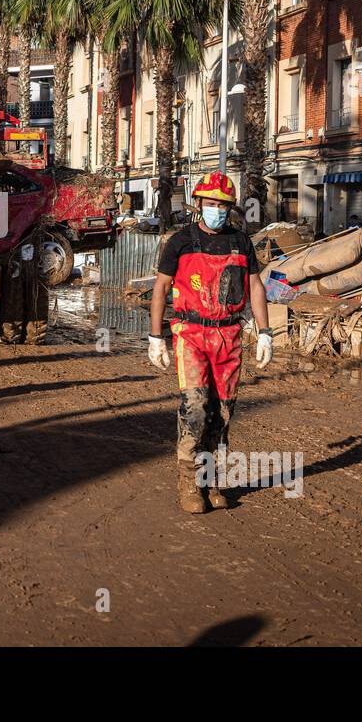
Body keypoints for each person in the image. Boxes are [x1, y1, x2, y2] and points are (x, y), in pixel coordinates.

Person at [147, 172, 273, 514]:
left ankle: (211, 480)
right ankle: (188, 483)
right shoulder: (180, 241)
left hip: (229, 336)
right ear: (199, 204)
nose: (216, 210)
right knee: (195, 409)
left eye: (222, 204)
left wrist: (265, 331)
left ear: (229, 207)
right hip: (191, 334)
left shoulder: (241, 242)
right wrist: (156, 337)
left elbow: (256, 287)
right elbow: (160, 288)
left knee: (222, 413)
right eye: (211, 203)